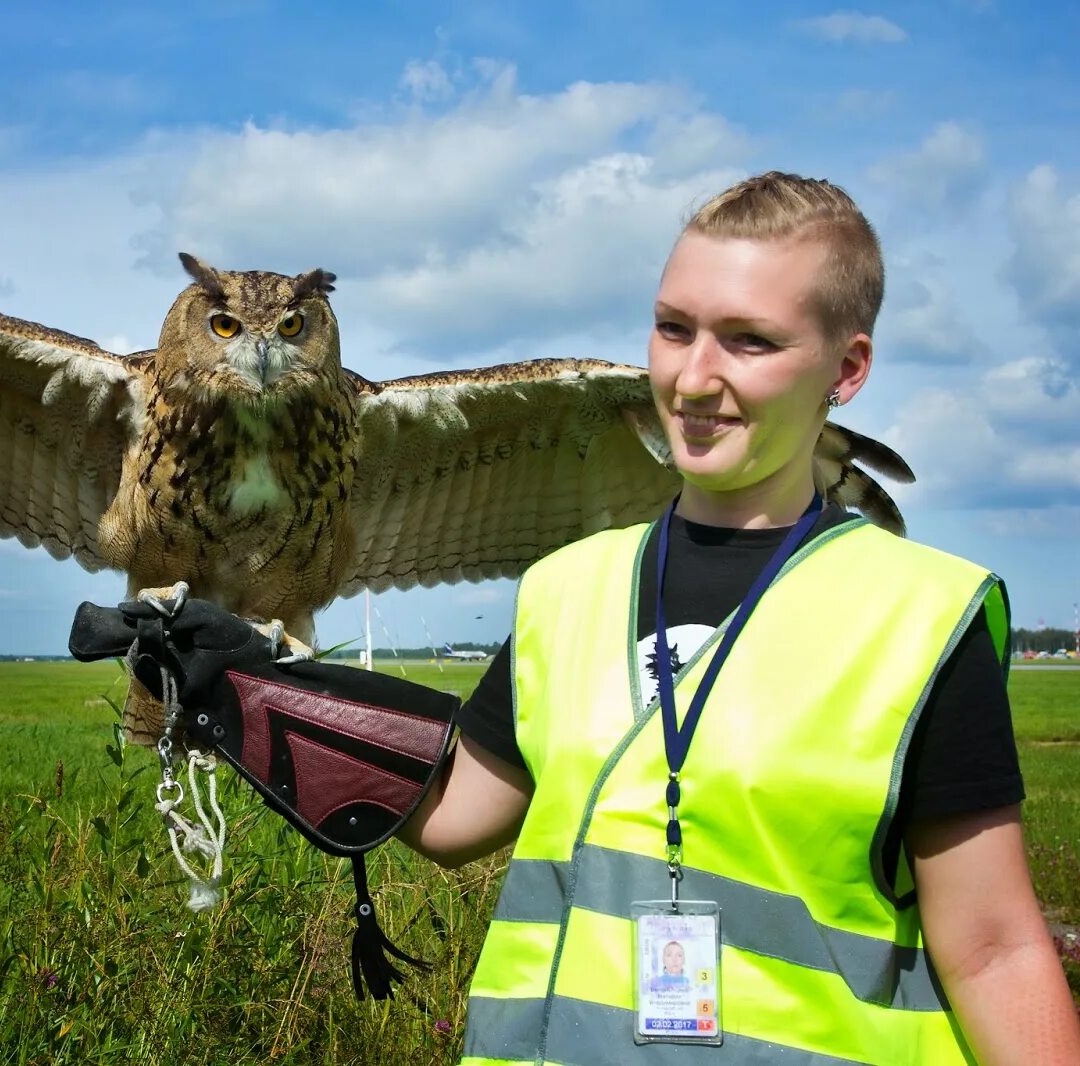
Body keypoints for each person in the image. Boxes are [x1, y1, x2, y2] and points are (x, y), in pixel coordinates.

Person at [74, 172, 1080, 1062]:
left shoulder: (916, 617)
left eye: (751, 341)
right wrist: (243, 682)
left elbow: (991, 948)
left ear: (846, 370)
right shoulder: (572, 589)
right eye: (673, 327)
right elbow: (452, 815)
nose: (692, 377)